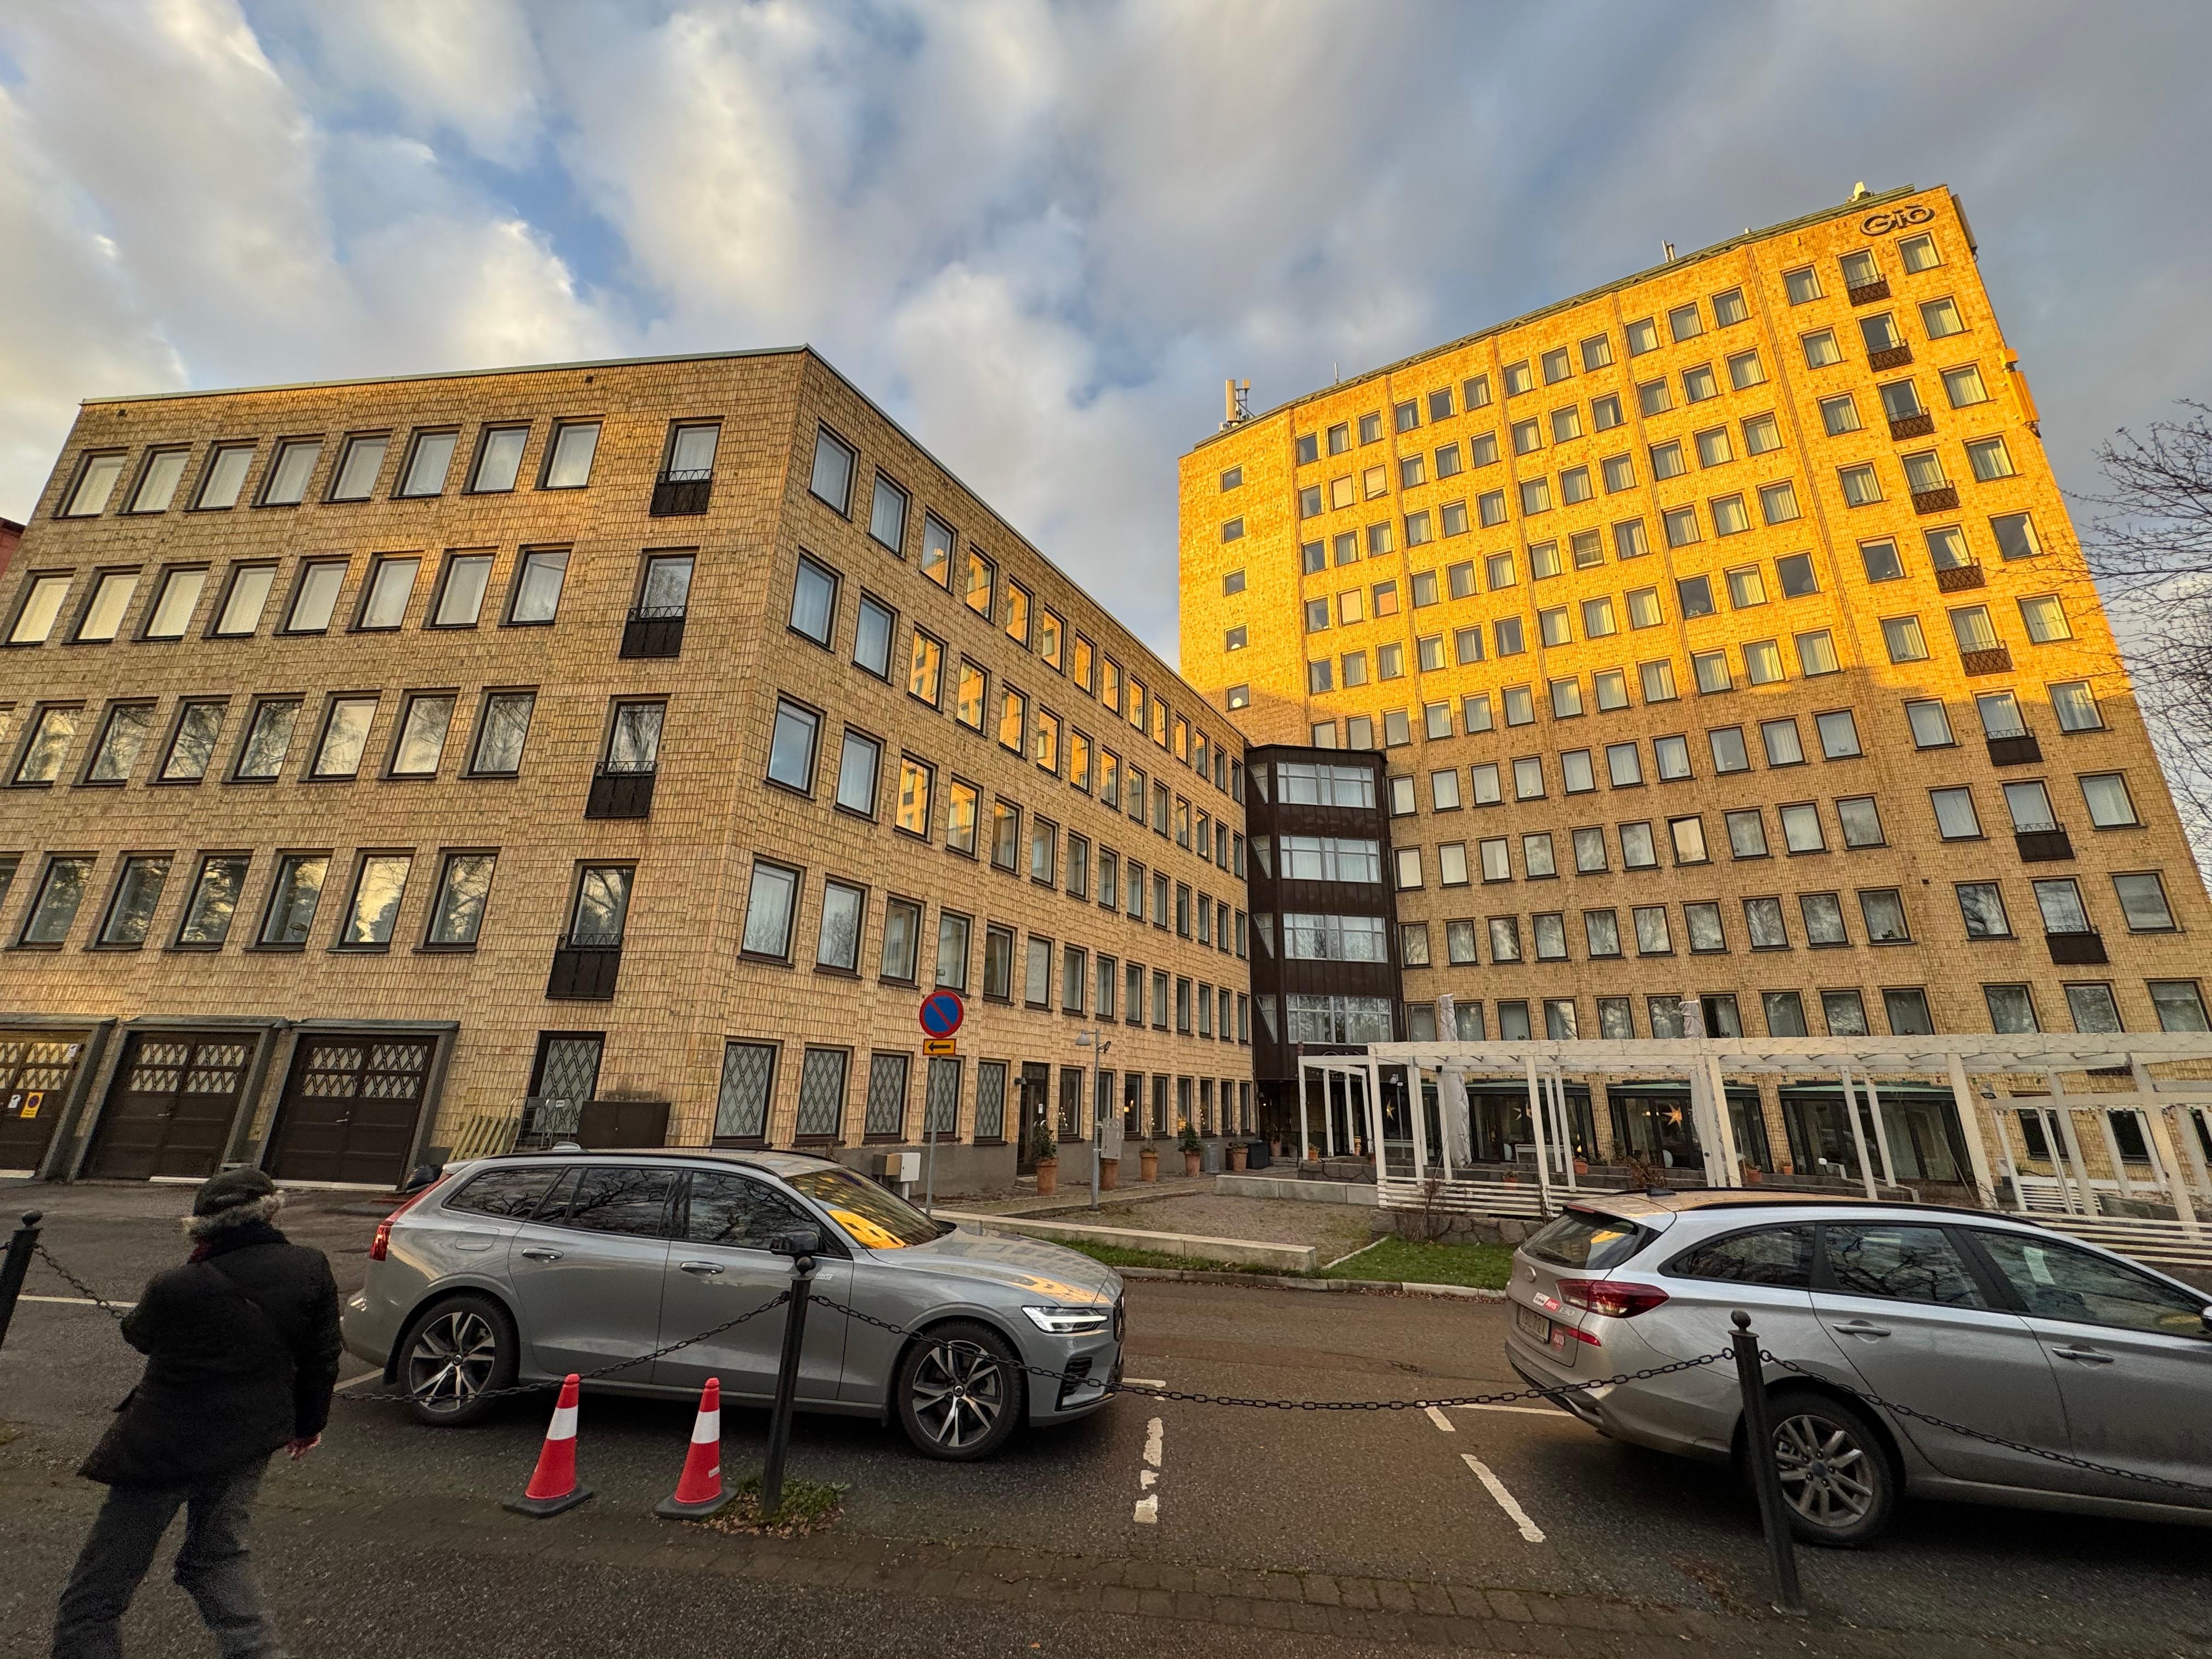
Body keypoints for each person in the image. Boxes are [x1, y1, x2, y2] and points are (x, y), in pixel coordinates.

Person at [53, 1168, 341, 1659]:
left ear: (202, 1225)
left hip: (163, 1444)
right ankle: (257, 1652)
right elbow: (323, 1356)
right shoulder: (310, 1266)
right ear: (272, 1210)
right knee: (217, 1555)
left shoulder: (177, 1284)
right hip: (251, 1436)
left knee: (108, 1573)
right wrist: (308, 1425)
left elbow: (140, 1336)